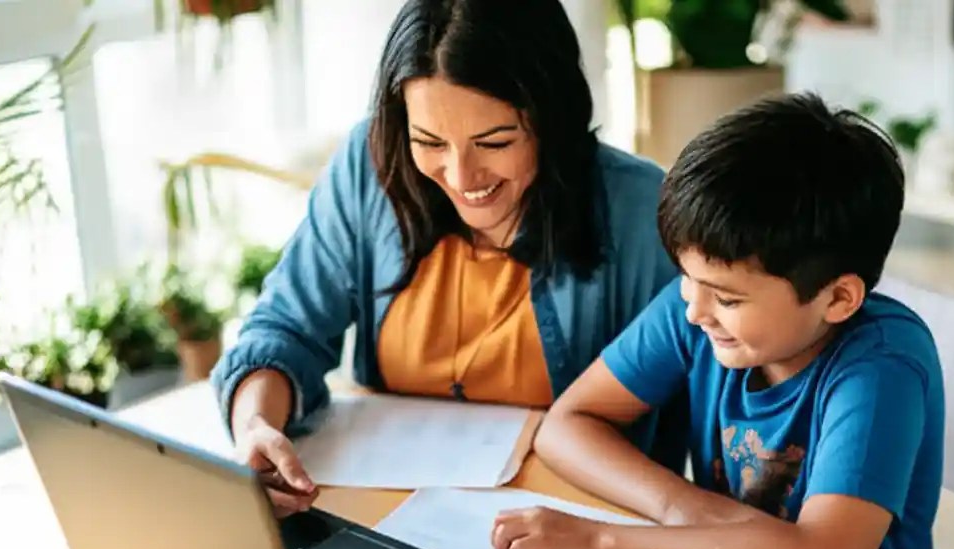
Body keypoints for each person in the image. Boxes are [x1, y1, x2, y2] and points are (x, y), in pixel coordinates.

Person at [210, 0, 683, 516]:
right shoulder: (369, 169)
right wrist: (255, 425)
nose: (461, 177)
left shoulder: (642, 214)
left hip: (572, 535)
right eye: (428, 141)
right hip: (382, 519)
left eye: (494, 142)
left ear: (552, 116)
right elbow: (284, 329)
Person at [490, 93, 946, 549]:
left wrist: (599, 542)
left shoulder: (882, 366)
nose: (694, 311)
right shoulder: (701, 310)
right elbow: (565, 425)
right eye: (688, 279)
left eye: (728, 297)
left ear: (838, 298)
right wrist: (682, 508)